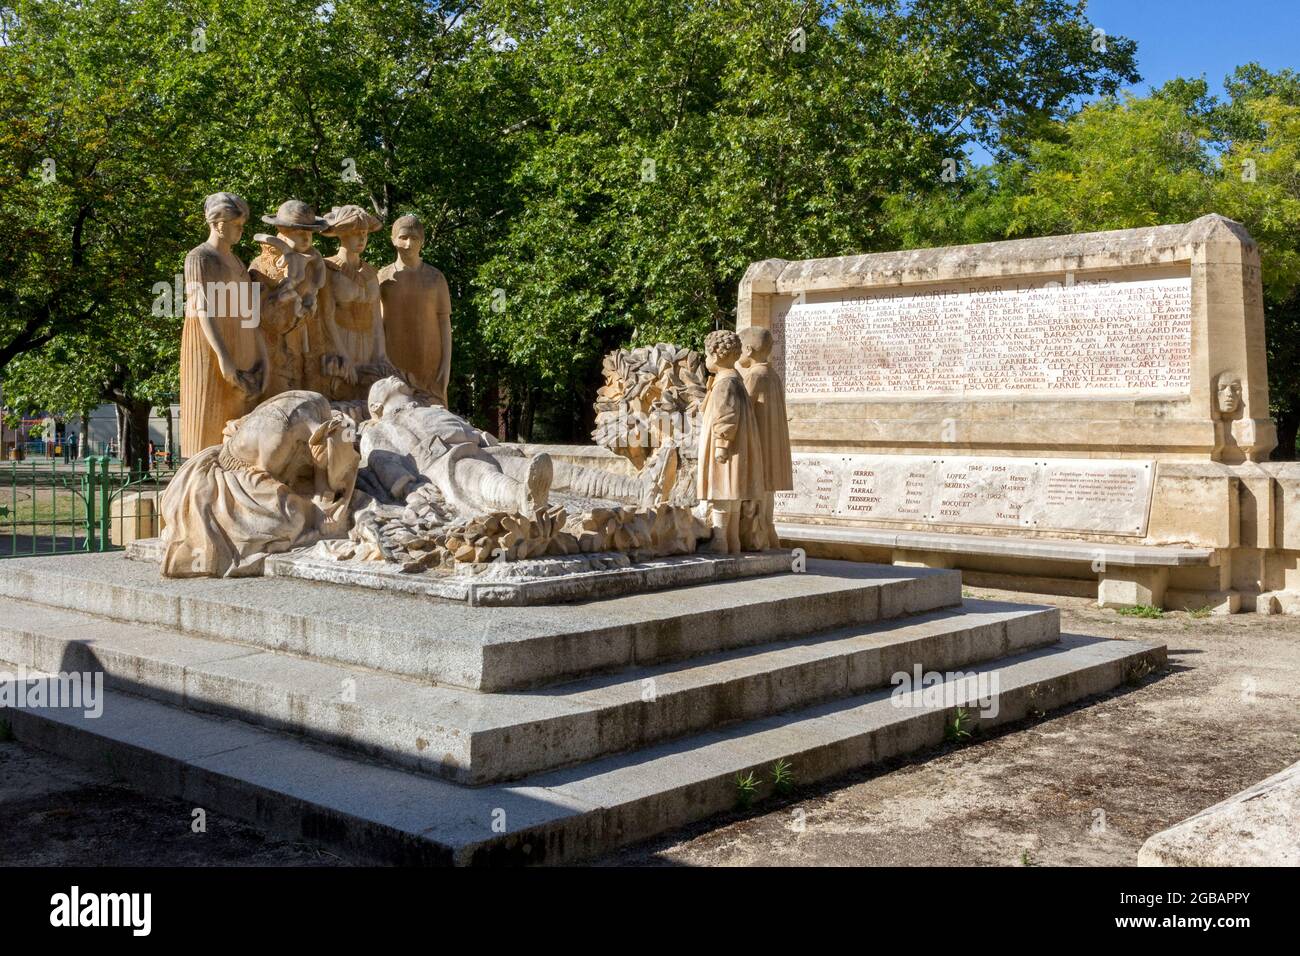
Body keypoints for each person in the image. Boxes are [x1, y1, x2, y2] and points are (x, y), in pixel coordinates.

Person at [161, 390, 359, 577]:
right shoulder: (277, 443)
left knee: (308, 510)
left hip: (273, 462)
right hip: (236, 475)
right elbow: (272, 483)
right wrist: (319, 514)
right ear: (314, 446)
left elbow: (324, 469)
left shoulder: (320, 409)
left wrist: (327, 503)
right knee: (292, 518)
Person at [179, 192, 268, 456]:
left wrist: (262, 356)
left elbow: (250, 313)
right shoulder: (199, 258)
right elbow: (201, 307)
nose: (241, 231)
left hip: (242, 347)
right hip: (210, 348)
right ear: (218, 224)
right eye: (237, 225)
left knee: (238, 432)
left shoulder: (239, 264)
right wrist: (223, 357)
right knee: (207, 427)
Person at [248, 199, 330, 397]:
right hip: (274, 351)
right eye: (299, 233)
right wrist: (281, 298)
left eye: (309, 233)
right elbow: (253, 315)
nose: (306, 238)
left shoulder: (312, 264)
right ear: (281, 232)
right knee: (278, 400)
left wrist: (310, 305)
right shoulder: (261, 267)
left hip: (305, 348)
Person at [319, 205, 398, 400]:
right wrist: (342, 355)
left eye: (364, 233)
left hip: (368, 347)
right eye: (355, 233)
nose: (362, 238)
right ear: (342, 234)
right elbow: (326, 317)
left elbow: (376, 319)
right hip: (341, 343)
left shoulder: (371, 273)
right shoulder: (327, 268)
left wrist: (382, 356)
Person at [696, 329, 764, 553]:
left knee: (722, 493)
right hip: (736, 448)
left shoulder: (725, 384)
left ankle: (720, 540)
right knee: (731, 496)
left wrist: (721, 447)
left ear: (715, 355)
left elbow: (726, 417)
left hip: (726, 451)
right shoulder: (735, 381)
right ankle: (733, 540)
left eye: (706, 355)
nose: (706, 359)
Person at [379, 214, 453, 406]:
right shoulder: (383, 278)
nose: (408, 244)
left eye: (414, 238)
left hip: (430, 363)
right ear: (393, 239)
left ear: (422, 241)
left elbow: (444, 323)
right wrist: (380, 361)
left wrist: (446, 364)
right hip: (393, 363)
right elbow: (377, 325)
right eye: (403, 237)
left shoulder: (435, 278)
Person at [738, 326, 793, 548]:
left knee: (757, 494)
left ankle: (756, 537)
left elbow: (743, 408)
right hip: (773, 446)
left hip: (759, 444)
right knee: (768, 496)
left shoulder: (754, 375)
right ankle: (769, 533)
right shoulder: (773, 375)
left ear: (749, 350)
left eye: (739, 349)